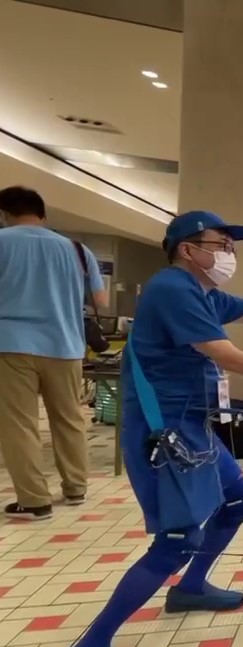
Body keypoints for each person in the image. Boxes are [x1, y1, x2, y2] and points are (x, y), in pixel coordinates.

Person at [53, 211, 243, 647]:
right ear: (188, 248)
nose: (229, 254)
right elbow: (223, 353)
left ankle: (192, 588)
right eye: (220, 244)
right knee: (177, 540)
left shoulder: (202, 290)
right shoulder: (173, 289)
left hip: (191, 425)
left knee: (237, 500)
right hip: (164, 432)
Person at [0, 186, 108, 521]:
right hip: (66, 345)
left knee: (20, 424)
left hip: (11, 344)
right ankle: (75, 488)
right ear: (43, 214)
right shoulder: (76, 249)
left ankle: (34, 501)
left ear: (4, 214)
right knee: (69, 418)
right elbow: (101, 302)